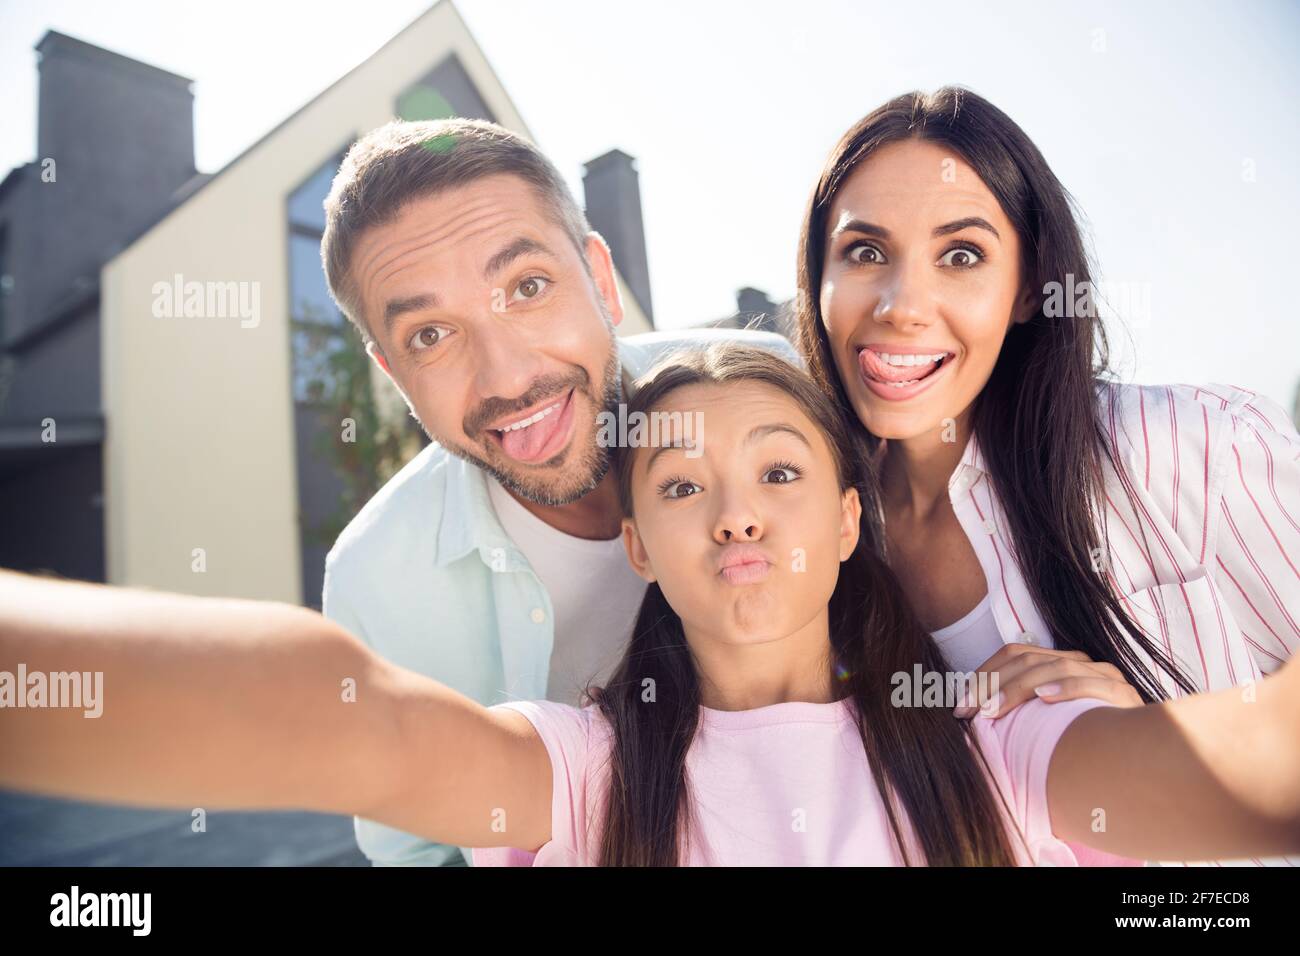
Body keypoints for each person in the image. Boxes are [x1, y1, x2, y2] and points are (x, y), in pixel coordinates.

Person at [2, 344, 1297, 866]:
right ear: (636, 543)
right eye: (684, 484)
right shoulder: (583, 776)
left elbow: (1254, 775)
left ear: (847, 521)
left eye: (781, 473)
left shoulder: (998, 747)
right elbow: (352, 720)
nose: (737, 512)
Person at [792, 87, 1300, 865]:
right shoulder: (812, 539)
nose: (902, 306)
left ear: (1029, 287)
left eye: (961, 256)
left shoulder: (1197, 447)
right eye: (865, 252)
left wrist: (1143, 742)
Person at [316, 117, 799, 864]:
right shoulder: (373, 580)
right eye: (430, 337)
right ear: (394, 377)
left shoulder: (768, 392)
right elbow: (421, 854)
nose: (507, 377)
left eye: (528, 286)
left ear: (601, 282)